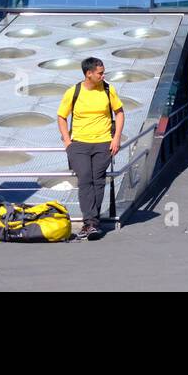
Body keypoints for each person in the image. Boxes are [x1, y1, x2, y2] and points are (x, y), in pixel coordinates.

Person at [58, 57, 126, 239]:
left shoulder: (107, 89)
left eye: (103, 72)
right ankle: (91, 223)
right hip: (79, 144)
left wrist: (116, 138)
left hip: (103, 142)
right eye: (100, 73)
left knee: (98, 180)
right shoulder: (74, 92)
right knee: (85, 178)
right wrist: (67, 141)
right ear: (89, 74)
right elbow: (61, 117)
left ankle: (90, 224)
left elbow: (119, 113)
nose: (103, 76)